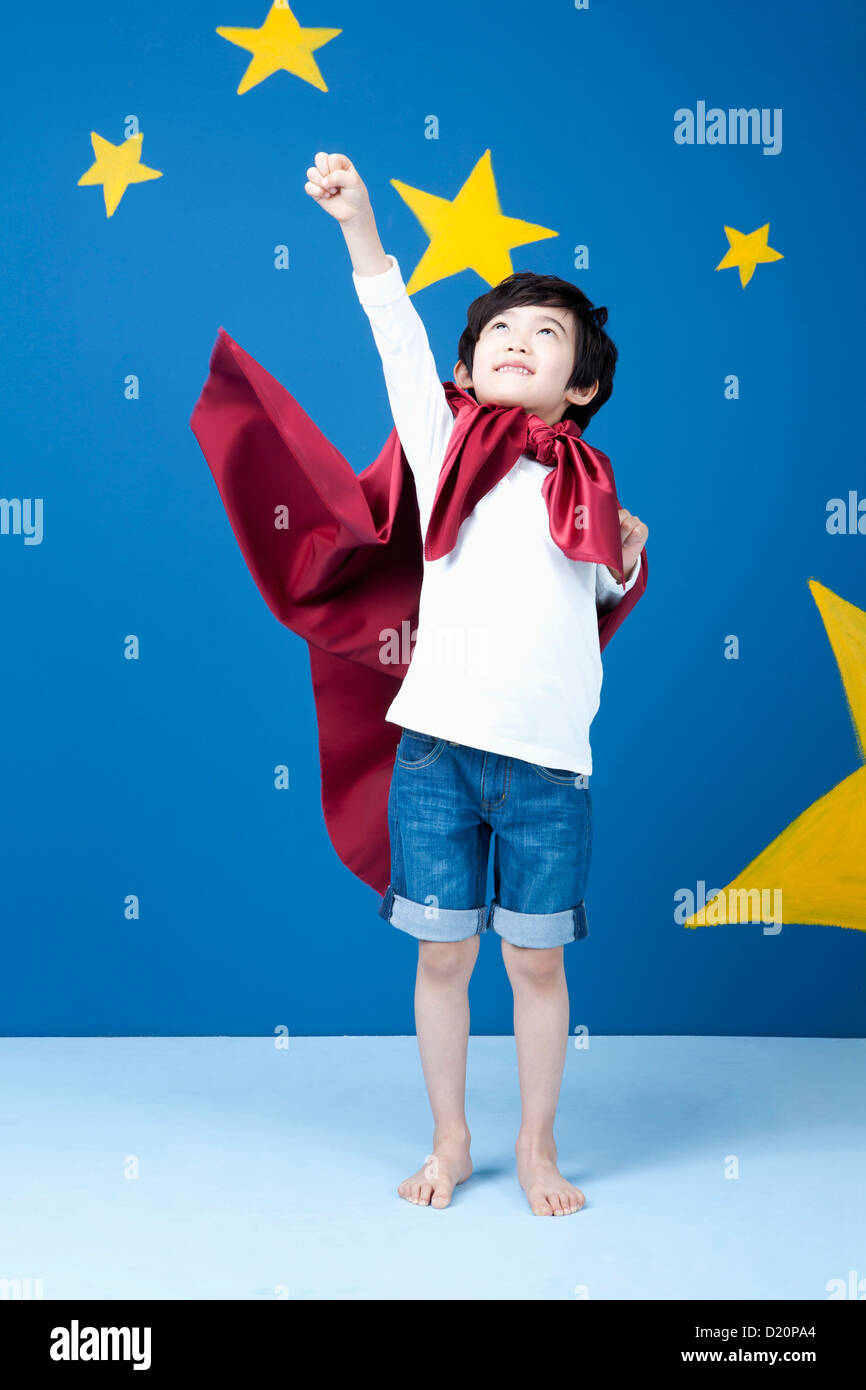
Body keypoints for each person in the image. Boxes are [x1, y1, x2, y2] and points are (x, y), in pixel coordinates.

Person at [300, 151, 649, 1217]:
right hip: (437, 754)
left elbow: (587, 612)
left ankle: (535, 1145)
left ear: (578, 386)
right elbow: (394, 334)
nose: (515, 340)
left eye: (544, 335)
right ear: (469, 363)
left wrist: (626, 555)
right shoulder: (442, 442)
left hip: (549, 766)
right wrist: (360, 226)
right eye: (498, 328)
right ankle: (449, 1140)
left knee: (535, 970)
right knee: (442, 960)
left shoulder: (588, 488)